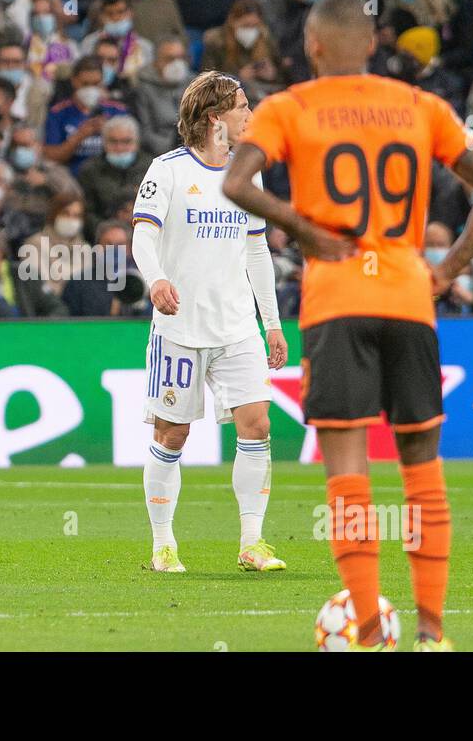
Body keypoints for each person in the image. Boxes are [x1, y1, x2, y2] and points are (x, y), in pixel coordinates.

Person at [223, 0, 473, 650]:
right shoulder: (421, 106)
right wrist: (448, 268)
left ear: (315, 45)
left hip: (336, 298)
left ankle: (369, 627)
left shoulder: (288, 107)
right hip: (411, 297)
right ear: (374, 42)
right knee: (421, 466)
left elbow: (237, 183)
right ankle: (433, 631)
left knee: (348, 469)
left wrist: (307, 229)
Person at [129, 70, 287, 575]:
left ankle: (253, 541)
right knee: (172, 435)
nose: (251, 114)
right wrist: (155, 280)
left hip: (238, 325)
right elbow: (142, 237)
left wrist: (274, 322)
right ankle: (163, 544)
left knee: (258, 424)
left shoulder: (249, 171)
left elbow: (257, 248)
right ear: (216, 118)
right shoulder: (168, 170)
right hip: (179, 328)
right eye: (243, 105)